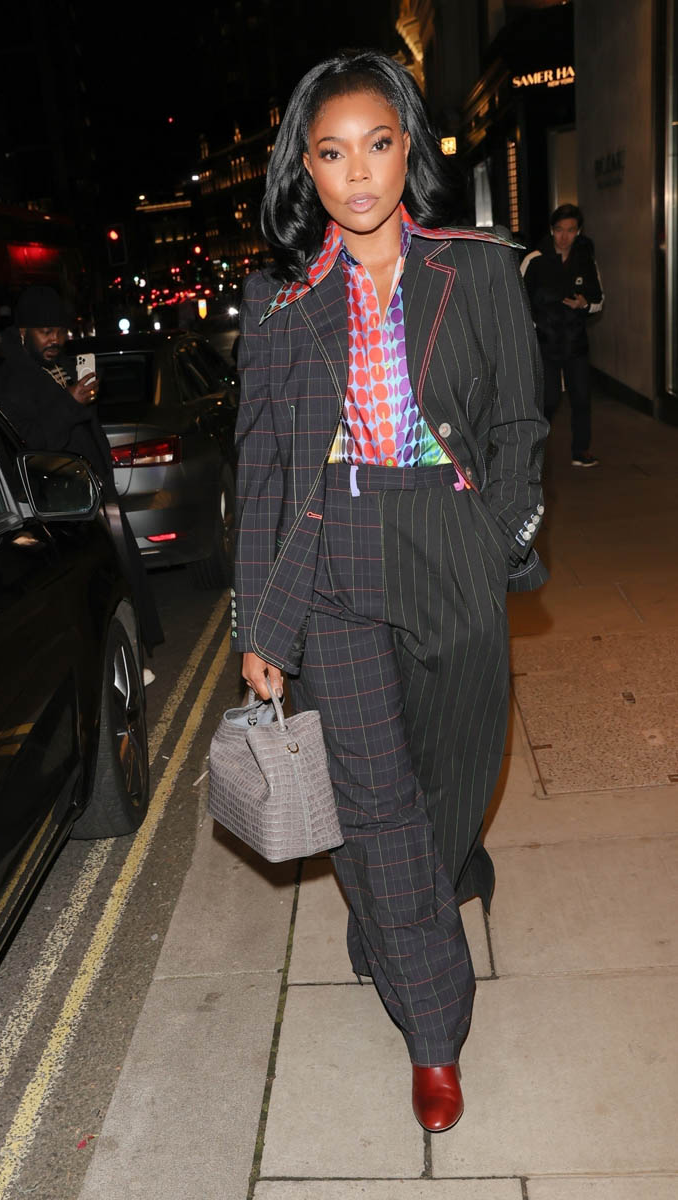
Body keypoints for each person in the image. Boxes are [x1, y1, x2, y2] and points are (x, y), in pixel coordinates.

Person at [233, 50, 548, 1133]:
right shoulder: (276, 301)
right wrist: (258, 624)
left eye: (376, 144)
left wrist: (497, 534)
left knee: (453, 782)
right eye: (330, 152)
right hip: (331, 562)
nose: (356, 172)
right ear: (304, 169)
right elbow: (262, 470)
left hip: (446, 538)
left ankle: (421, 882)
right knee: (373, 804)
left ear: (408, 149)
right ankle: (432, 1030)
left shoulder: (479, 268)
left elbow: (517, 426)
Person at [0, 285, 163, 662]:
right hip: (62, 506)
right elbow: (28, 444)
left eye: (59, 331)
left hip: (95, 491)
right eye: (44, 332)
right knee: (96, 591)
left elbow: (83, 429)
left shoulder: (61, 366)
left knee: (124, 577)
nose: (55, 339)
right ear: (23, 333)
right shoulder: (11, 381)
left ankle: (132, 651)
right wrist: (70, 402)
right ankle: (116, 659)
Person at [520, 204, 604, 467]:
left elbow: (599, 300)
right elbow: (517, 301)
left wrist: (584, 304)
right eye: (559, 230)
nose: (564, 236)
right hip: (544, 343)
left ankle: (581, 450)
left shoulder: (585, 260)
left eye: (570, 231)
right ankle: (534, 454)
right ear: (551, 230)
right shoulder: (534, 259)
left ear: (578, 232)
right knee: (548, 400)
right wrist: (533, 328)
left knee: (581, 397)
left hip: (575, 342)